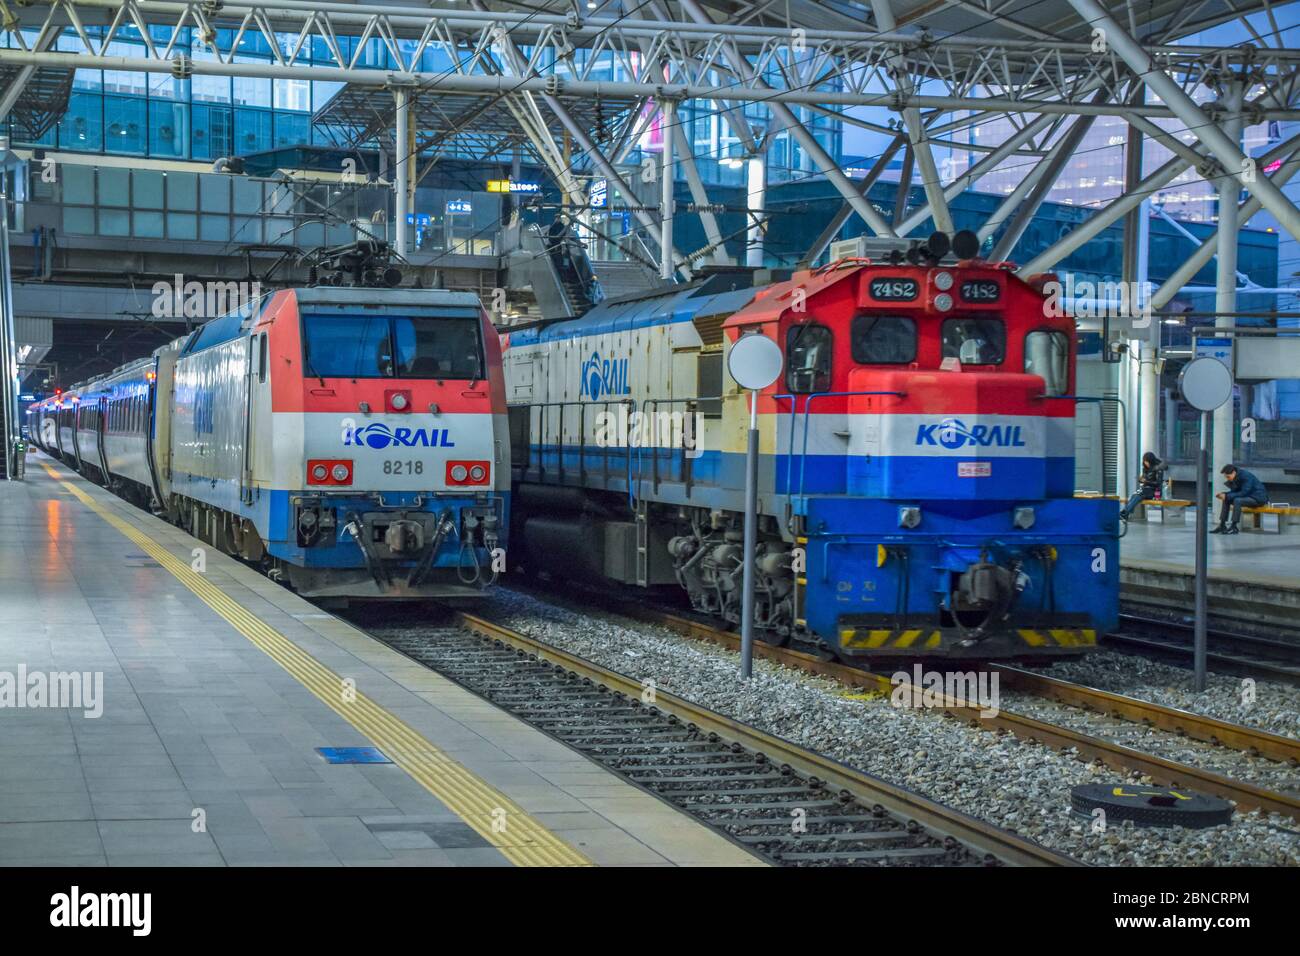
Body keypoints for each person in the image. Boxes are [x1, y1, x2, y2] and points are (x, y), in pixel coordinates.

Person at [1211, 463, 1268, 535]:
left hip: (1258, 498)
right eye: (1226, 477)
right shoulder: (1235, 477)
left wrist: (1227, 495)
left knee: (1237, 500)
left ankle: (1234, 526)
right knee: (1226, 499)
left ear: (1234, 473)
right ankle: (1222, 525)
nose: (1227, 479)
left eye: (1228, 477)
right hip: (1249, 497)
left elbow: (1245, 492)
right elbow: (1235, 493)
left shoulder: (1246, 476)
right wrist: (1225, 495)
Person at [1120, 452, 1166, 520]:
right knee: (1135, 495)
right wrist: (1141, 480)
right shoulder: (1145, 468)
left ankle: (1125, 513)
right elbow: (1144, 479)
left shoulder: (1158, 468)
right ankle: (1125, 513)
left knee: (1139, 494)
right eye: (1145, 462)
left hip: (1155, 492)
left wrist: (1146, 481)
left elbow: (1158, 483)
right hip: (1145, 490)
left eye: (1147, 462)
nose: (1146, 464)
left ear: (1151, 461)